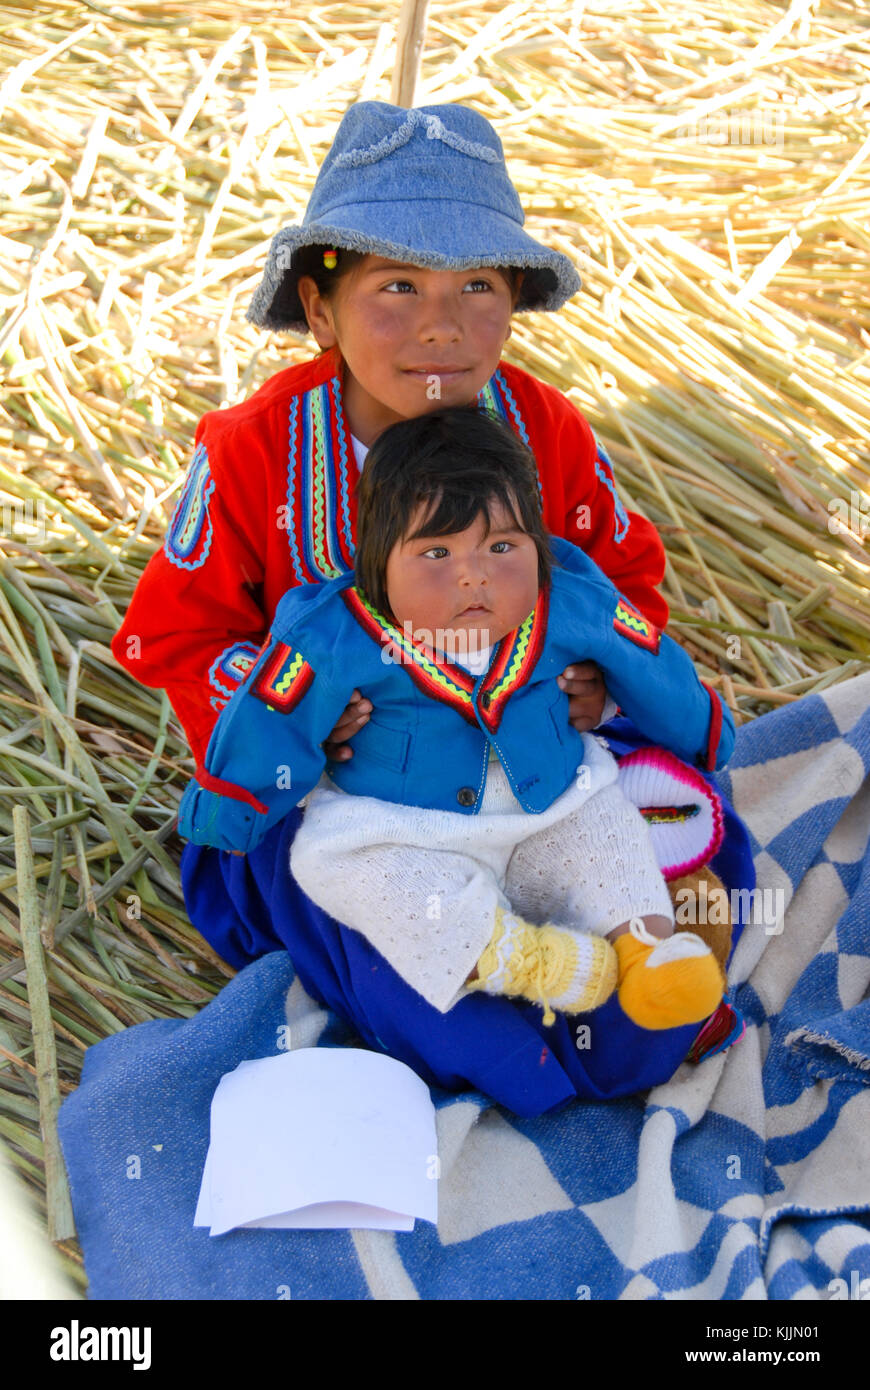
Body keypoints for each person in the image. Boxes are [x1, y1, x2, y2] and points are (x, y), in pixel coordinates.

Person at [112, 100, 754, 1115]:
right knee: (412, 976)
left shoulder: (542, 428)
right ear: (318, 309)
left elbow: (625, 578)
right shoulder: (252, 453)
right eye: (396, 287)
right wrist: (304, 722)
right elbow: (179, 634)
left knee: (685, 834)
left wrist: (592, 682)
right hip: (354, 802)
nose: (441, 326)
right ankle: (537, 998)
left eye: (478, 287)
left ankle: (648, 958)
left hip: (538, 765)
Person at [178, 405, 732, 1044]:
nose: (474, 574)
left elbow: (649, 663)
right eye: (436, 552)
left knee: (607, 831)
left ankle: (646, 946)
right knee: (350, 870)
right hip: (404, 828)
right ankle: (523, 958)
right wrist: (229, 810)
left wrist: (704, 732)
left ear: (540, 546)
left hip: (551, 808)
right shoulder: (333, 635)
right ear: (379, 560)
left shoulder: (570, 599)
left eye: (502, 546)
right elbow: (269, 718)